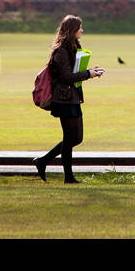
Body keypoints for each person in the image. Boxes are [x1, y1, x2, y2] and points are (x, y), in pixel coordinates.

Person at [33, 14, 105, 183]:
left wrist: (90, 72)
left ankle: (43, 161)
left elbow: (72, 72)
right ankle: (68, 177)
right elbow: (66, 77)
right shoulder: (61, 51)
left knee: (76, 138)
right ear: (72, 30)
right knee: (70, 138)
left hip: (72, 97)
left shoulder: (72, 47)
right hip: (63, 99)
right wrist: (89, 74)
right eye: (79, 27)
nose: (82, 30)